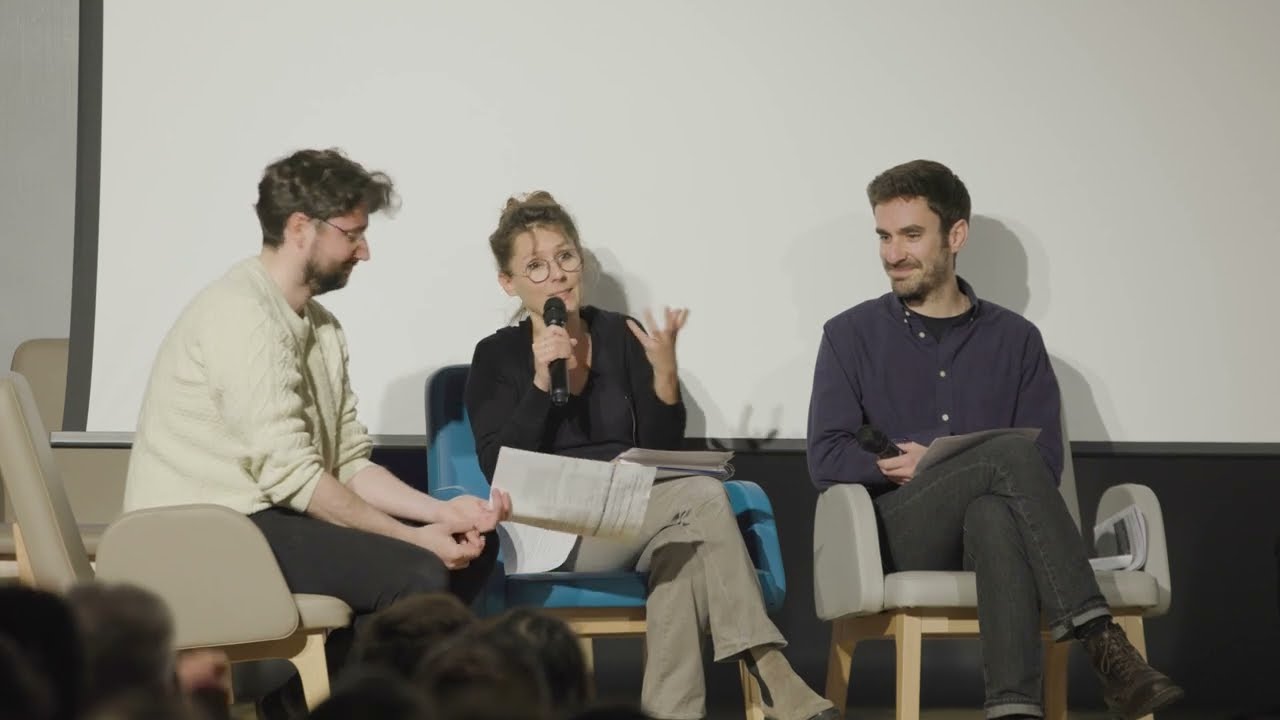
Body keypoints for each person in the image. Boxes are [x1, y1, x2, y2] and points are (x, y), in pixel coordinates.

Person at [806, 159, 1184, 720]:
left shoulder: (1018, 340)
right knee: (1009, 453)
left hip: (998, 527)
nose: (893, 253)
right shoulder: (848, 335)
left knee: (992, 511)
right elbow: (826, 455)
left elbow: (1048, 462)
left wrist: (947, 460)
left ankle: (1013, 709)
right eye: (884, 236)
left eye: (912, 235)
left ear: (955, 235)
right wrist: (906, 468)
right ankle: (1103, 642)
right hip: (901, 530)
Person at [464, 192, 836, 720]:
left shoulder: (618, 333)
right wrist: (542, 381)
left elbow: (666, 444)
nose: (558, 276)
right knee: (703, 500)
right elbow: (497, 465)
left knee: (681, 552)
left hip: (631, 512)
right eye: (536, 266)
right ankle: (769, 668)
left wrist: (663, 376)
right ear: (510, 283)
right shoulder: (497, 354)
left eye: (566, 257)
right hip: (550, 529)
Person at [124, 148, 511, 627]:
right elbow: (293, 477)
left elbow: (347, 461)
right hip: (207, 532)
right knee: (419, 570)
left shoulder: (322, 327)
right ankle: (343, 701)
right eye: (353, 234)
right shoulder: (242, 314)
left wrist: (440, 515)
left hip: (268, 518)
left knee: (472, 547)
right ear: (300, 228)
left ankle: (305, 698)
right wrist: (415, 539)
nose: (364, 251)